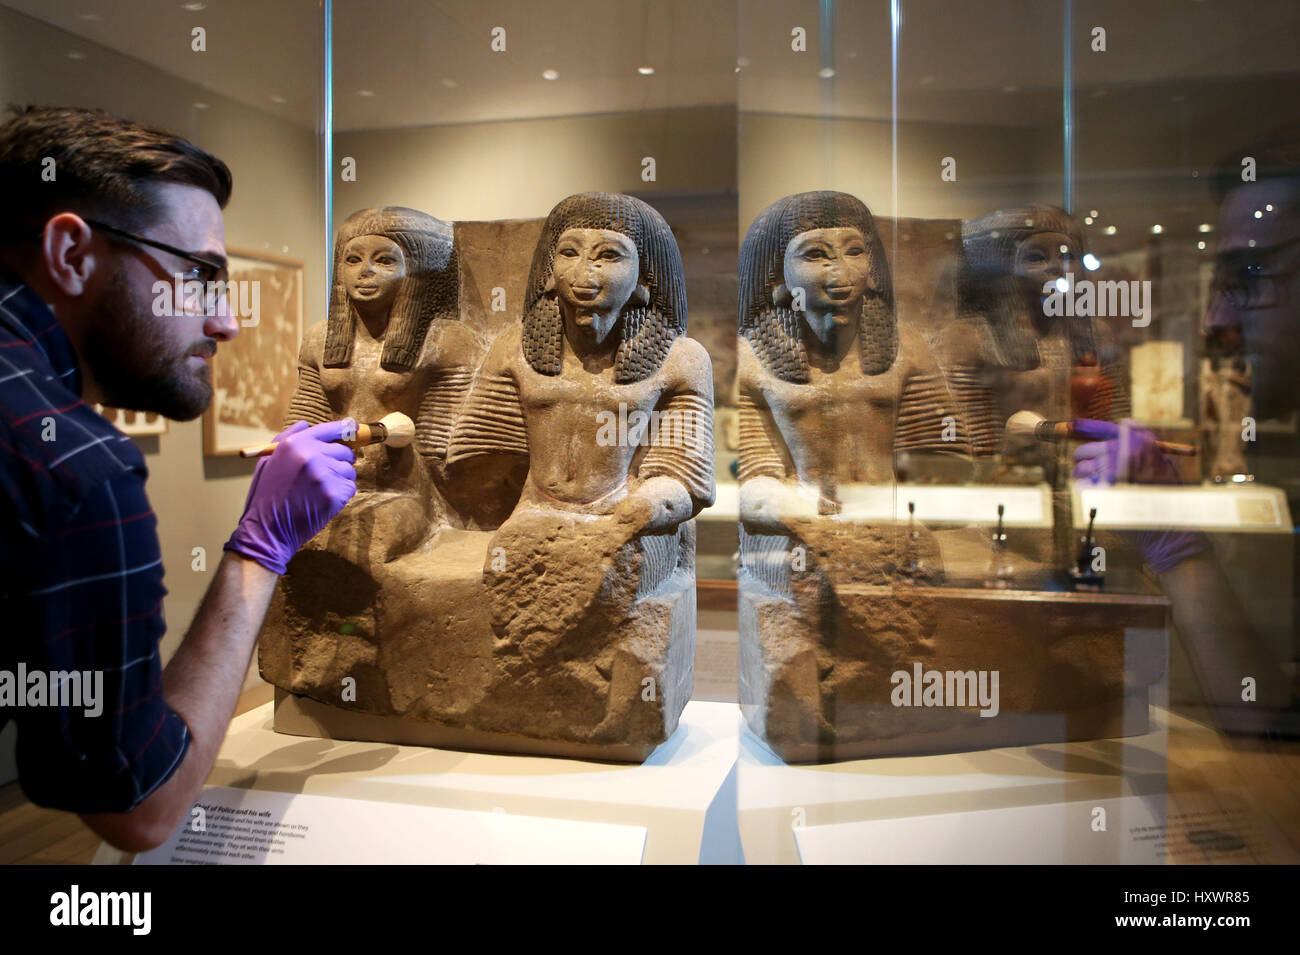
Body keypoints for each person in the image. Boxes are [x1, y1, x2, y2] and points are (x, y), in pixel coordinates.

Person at [0, 106, 356, 851]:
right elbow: (141, 807)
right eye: (199, 275)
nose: (226, 323)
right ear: (69, 252)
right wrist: (262, 544)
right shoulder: (74, 468)